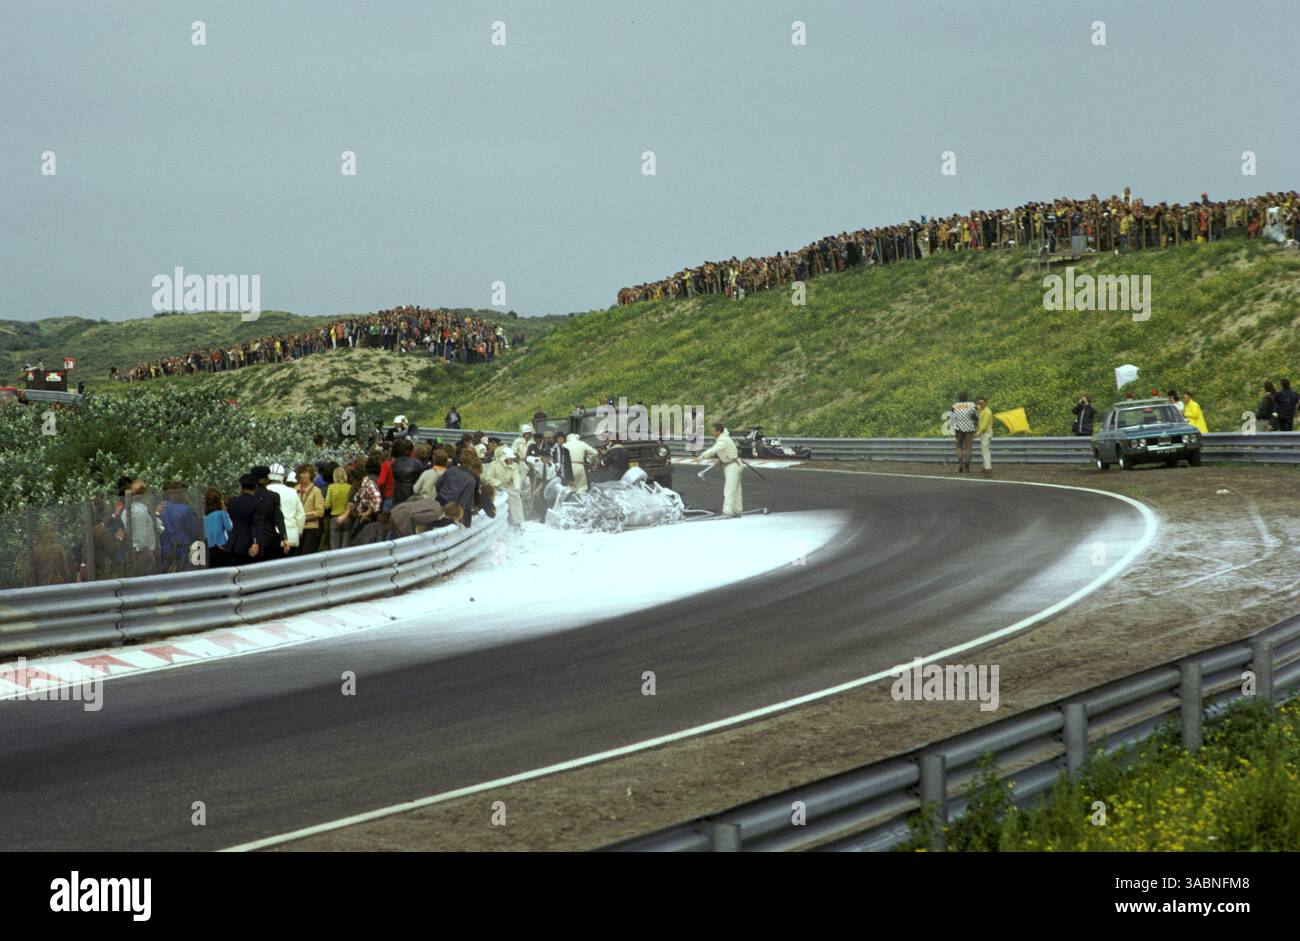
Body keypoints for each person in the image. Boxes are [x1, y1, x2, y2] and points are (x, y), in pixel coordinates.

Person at [698, 421, 743, 517]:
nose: (712, 433)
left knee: (729, 489)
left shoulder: (723, 440)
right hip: (733, 464)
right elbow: (725, 452)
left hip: (732, 466)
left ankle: (727, 511)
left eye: (713, 431)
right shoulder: (724, 439)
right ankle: (737, 510)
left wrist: (702, 456)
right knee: (736, 489)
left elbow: (714, 449)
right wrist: (721, 461)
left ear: (718, 431)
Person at [157, 481, 200, 572]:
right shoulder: (186, 509)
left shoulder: (161, 508)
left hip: (165, 547)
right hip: (182, 547)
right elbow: (193, 531)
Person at [225, 473, 265, 566]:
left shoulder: (233, 502)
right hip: (249, 546)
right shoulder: (257, 504)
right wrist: (255, 542)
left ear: (241, 487)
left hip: (233, 544)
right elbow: (256, 525)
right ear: (255, 487)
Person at [267, 463, 305, 554]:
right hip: (291, 536)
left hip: (269, 538)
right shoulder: (292, 492)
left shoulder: (264, 492)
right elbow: (301, 515)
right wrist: (298, 532)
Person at [296, 465, 325, 554]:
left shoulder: (316, 491)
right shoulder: (294, 489)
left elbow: (320, 512)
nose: (303, 475)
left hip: (311, 528)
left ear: (311, 475)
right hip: (296, 528)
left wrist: (304, 516)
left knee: (306, 554)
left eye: (306, 473)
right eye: (301, 473)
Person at [203, 487, 233, 567]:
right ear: (220, 501)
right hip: (222, 546)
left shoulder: (206, 517)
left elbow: (206, 534)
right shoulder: (222, 514)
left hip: (209, 548)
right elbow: (229, 528)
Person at [950, 391, 979, 473]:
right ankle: (967, 467)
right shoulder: (971, 405)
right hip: (969, 428)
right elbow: (975, 417)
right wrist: (976, 422)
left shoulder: (954, 406)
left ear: (959, 397)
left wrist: (953, 429)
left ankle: (960, 465)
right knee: (968, 447)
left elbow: (952, 419)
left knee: (958, 446)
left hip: (958, 428)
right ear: (967, 397)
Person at [975, 398, 993, 477]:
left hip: (986, 433)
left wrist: (977, 434)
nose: (980, 405)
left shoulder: (987, 412)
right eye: (979, 403)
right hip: (985, 433)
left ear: (986, 403)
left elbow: (984, 426)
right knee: (984, 451)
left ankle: (988, 469)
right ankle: (985, 467)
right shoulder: (983, 410)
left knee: (985, 451)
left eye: (982, 403)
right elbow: (977, 407)